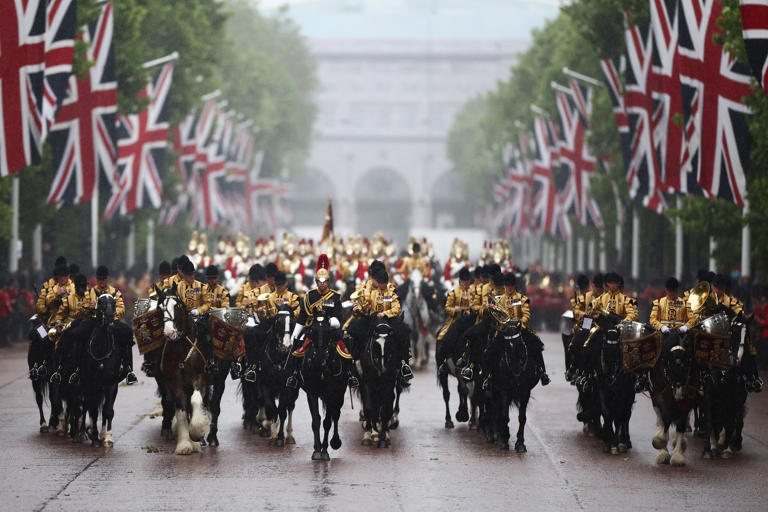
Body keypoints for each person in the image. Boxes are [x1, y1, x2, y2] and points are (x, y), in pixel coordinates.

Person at [285, 254, 356, 389]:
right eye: (320, 281)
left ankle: (350, 373)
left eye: (324, 281)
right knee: (297, 349)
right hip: (312, 328)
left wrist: (330, 322)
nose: (322, 283)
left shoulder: (335, 296)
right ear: (316, 281)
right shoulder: (309, 295)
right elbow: (303, 316)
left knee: (345, 347)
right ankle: (294, 375)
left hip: (330, 328)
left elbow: (338, 315)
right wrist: (294, 335)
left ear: (328, 281)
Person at [710, 274, 762, 392]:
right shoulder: (705, 301)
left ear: (724, 288)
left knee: (745, 344)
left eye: (721, 288)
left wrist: (743, 318)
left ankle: (752, 378)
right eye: (716, 287)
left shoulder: (732, 301)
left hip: (728, 336)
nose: (718, 290)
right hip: (709, 335)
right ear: (712, 287)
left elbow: (740, 313)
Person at [88, 265, 136, 385]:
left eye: (103, 279)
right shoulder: (90, 292)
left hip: (111, 321)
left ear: (107, 279)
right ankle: (77, 369)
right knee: (79, 334)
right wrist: (90, 308)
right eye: (99, 279)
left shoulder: (114, 291)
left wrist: (111, 316)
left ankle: (129, 369)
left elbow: (121, 308)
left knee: (128, 332)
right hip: (95, 322)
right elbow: (84, 306)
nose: (101, 282)